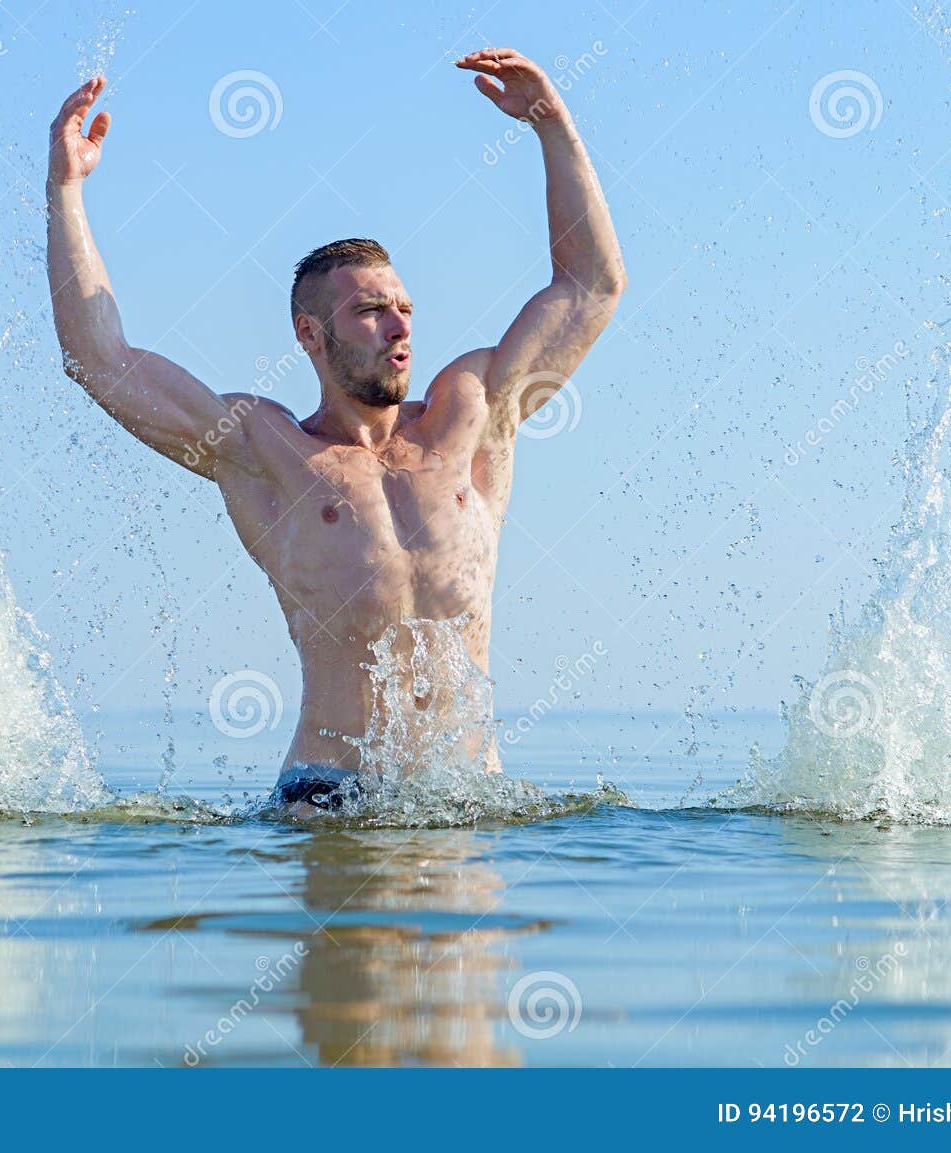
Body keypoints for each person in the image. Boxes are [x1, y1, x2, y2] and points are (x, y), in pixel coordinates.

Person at [45, 48, 625, 816]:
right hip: (327, 795)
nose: (399, 326)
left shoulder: (473, 414)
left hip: (470, 796)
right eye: (370, 311)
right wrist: (65, 191)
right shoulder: (264, 451)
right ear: (310, 335)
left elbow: (590, 286)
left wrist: (553, 125)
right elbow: (101, 361)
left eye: (405, 308)